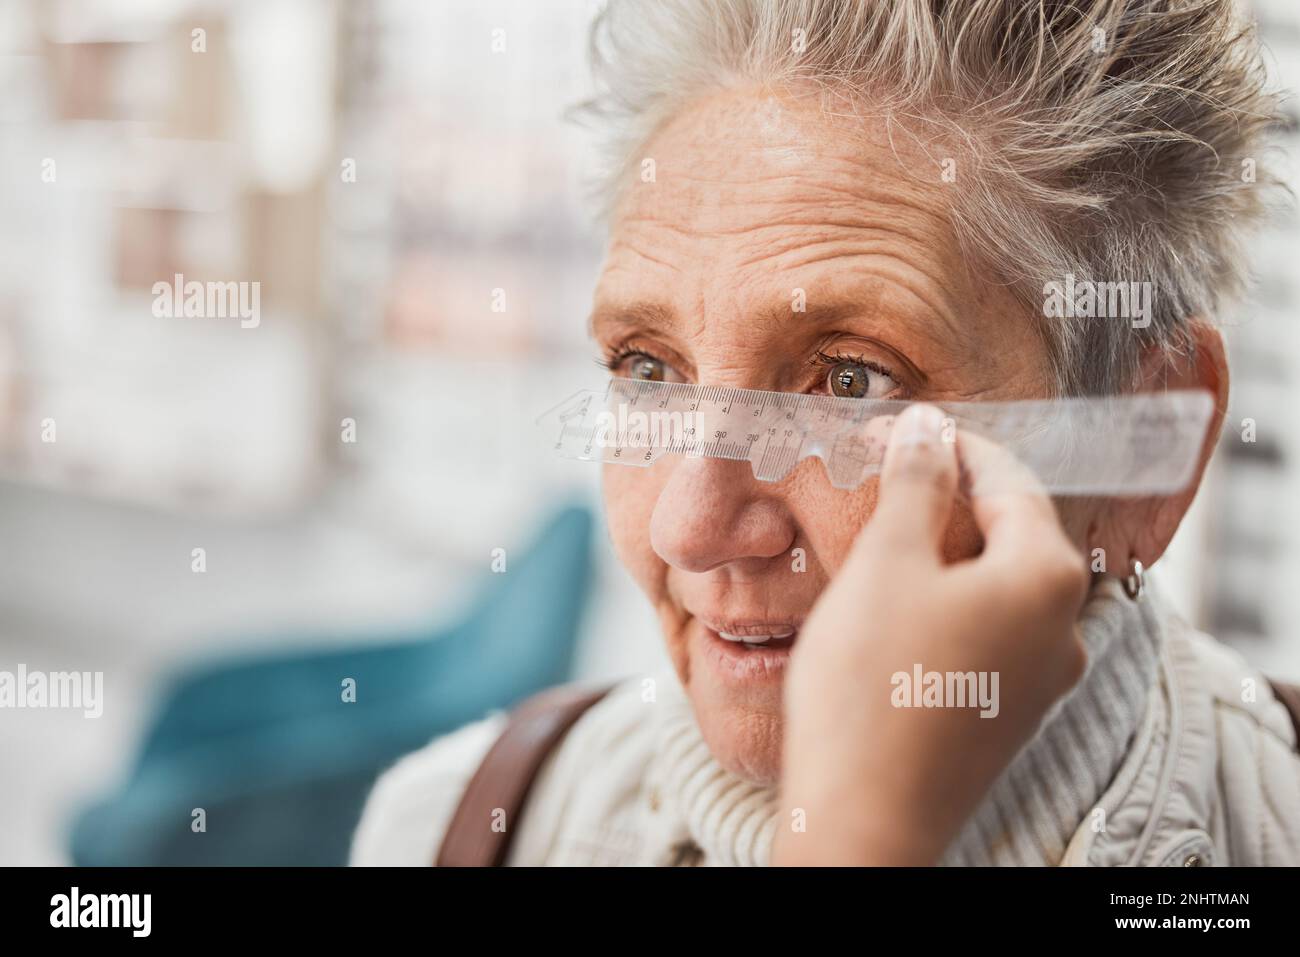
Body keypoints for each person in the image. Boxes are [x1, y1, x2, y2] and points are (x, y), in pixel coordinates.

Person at [351, 0, 1300, 866]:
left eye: (851, 381)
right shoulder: (450, 827)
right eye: (648, 368)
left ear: (1145, 461)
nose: (688, 527)